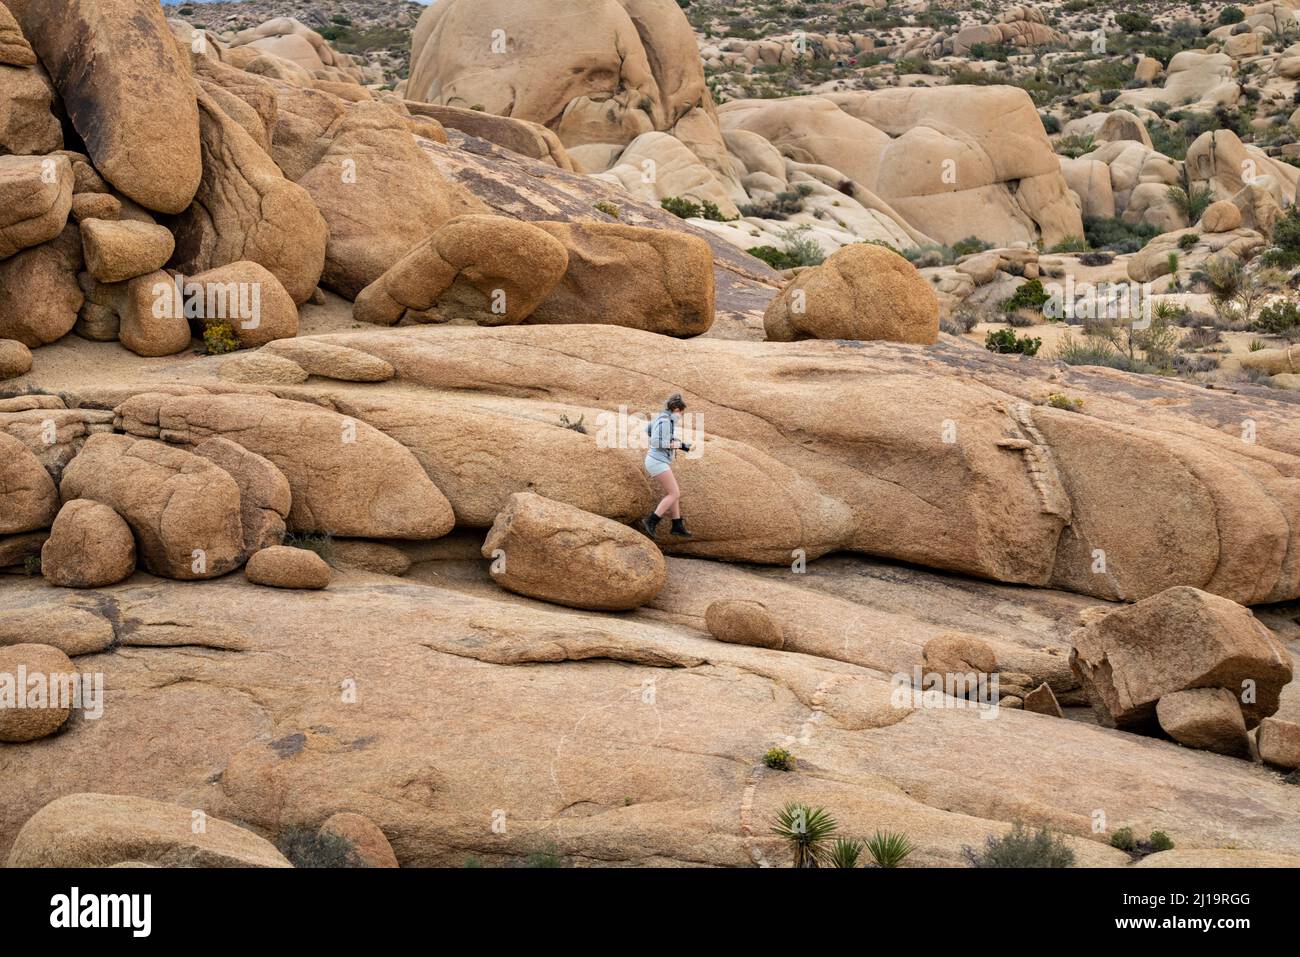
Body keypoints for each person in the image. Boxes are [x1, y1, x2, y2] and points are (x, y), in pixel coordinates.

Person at [641, 393, 693, 539]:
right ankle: (651, 521)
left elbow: (648, 430)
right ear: (676, 409)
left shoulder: (661, 417)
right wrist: (674, 444)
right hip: (656, 461)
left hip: (656, 459)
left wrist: (677, 444)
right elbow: (656, 442)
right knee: (674, 493)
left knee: (674, 492)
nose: (680, 417)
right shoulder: (665, 421)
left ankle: (677, 525)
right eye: (681, 414)